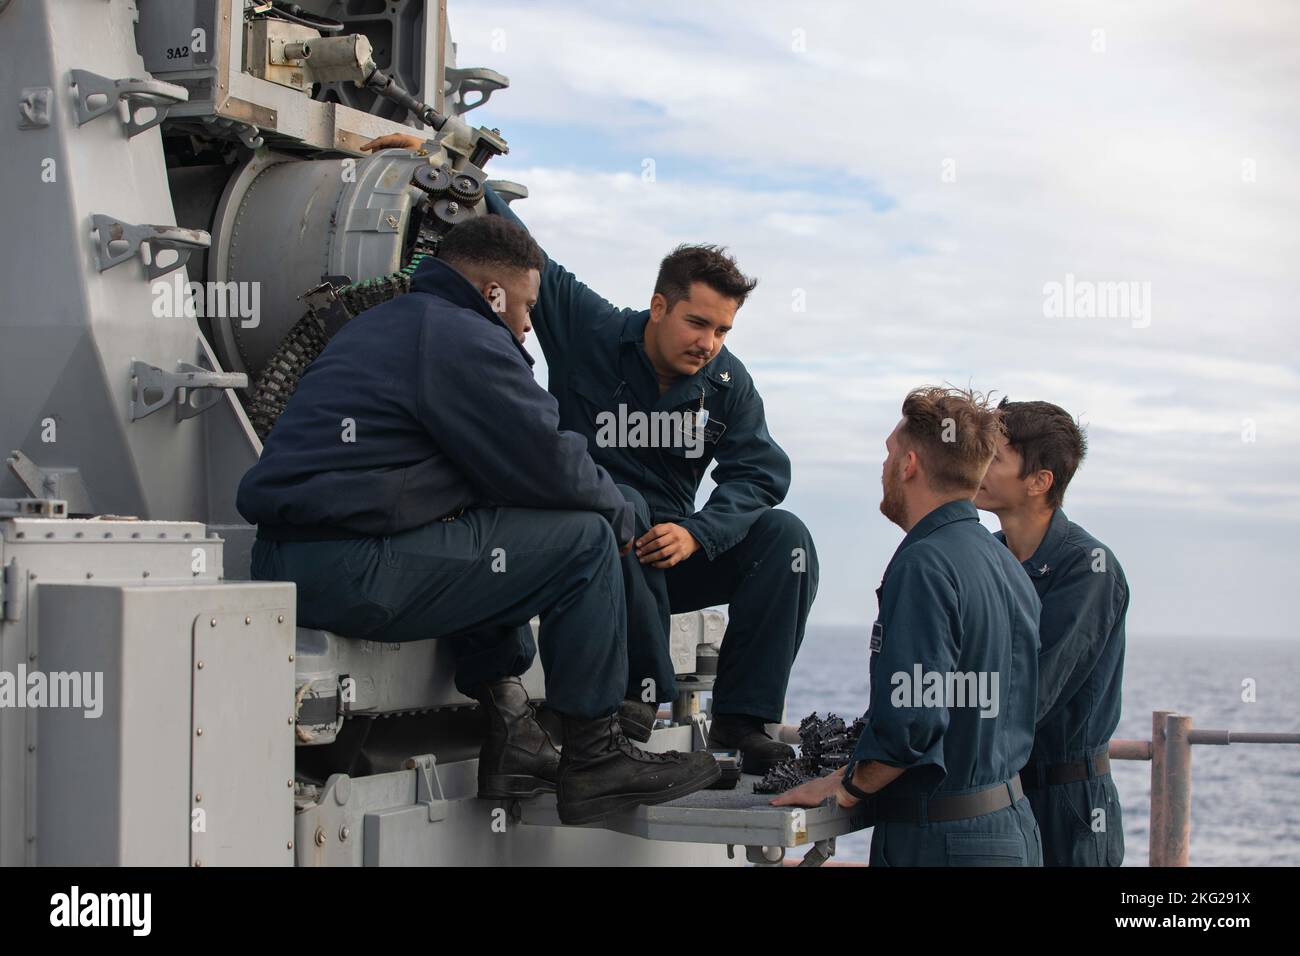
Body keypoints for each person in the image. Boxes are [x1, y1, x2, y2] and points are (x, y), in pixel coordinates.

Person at [237, 214, 720, 824]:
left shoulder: (392, 323)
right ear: (493, 292)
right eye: (525, 307)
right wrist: (624, 517)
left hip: (299, 557)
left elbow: (507, 478)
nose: (526, 325)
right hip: (350, 566)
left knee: (501, 522)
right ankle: (596, 760)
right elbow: (550, 457)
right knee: (586, 539)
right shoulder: (461, 335)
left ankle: (513, 730)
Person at [774, 387, 1043, 867]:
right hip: (1011, 827)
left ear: (910, 464)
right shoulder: (1004, 563)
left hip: (942, 842)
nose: (883, 468)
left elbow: (914, 722)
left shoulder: (924, 564)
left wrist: (845, 786)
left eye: (889, 454)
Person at [974, 399, 1128, 866]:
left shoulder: (1089, 567)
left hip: (1069, 806)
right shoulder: (987, 555)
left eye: (994, 457)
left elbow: (1033, 693)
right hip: (1000, 794)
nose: (977, 464)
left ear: (1040, 482)